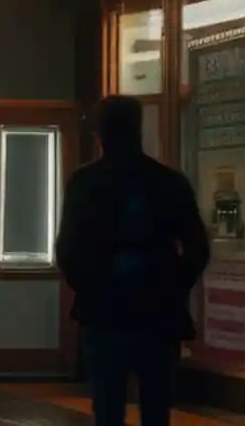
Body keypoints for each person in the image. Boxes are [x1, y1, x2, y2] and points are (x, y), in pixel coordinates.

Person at [57, 95, 210, 426]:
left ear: (100, 133)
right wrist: (174, 284)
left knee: (107, 405)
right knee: (157, 405)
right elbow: (197, 247)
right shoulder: (168, 181)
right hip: (158, 312)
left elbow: (68, 250)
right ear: (139, 129)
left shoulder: (85, 183)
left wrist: (90, 286)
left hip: (104, 311)